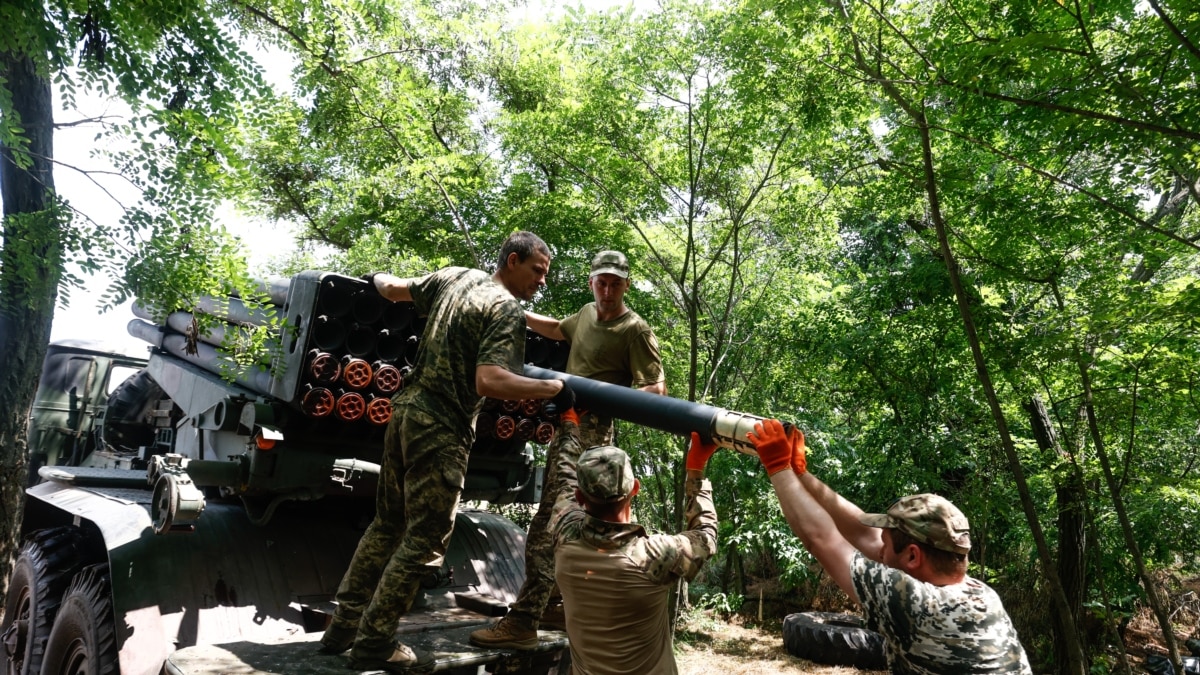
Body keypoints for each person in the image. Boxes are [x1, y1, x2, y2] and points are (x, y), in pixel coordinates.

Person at [318, 231, 575, 673]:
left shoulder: (456, 276)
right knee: (423, 541)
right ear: (512, 261)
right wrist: (554, 386)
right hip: (442, 427)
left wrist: (373, 276)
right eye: (537, 271)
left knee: (387, 526)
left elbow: (394, 289)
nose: (541, 282)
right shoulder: (504, 308)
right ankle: (375, 641)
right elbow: (490, 380)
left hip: (404, 415)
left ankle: (342, 629)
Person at [470, 249, 667, 649]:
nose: (608, 290)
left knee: (549, 528)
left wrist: (602, 398)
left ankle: (524, 621)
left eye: (615, 283)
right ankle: (555, 606)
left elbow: (656, 390)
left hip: (592, 440)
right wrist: (511, 309)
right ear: (592, 282)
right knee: (569, 527)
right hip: (567, 428)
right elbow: (556, 330)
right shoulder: (584, 315)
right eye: (601, 282)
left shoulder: (635, 329)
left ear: (626, 285)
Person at [747, 419, 1033, 673]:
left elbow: (821, 539)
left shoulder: (917, 604)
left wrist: (777, 467)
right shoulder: (981, 594)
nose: (878, 553)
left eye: (886, 547)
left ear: (912, 555)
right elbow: (866, 535)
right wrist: (801, 474)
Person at [551, 410, 718, 674]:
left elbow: (564, 478)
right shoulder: (653, 557)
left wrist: (570, 426)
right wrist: (695, 468)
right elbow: (706, 535)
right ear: (635, 489)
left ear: (580, 498)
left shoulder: (565, 533)